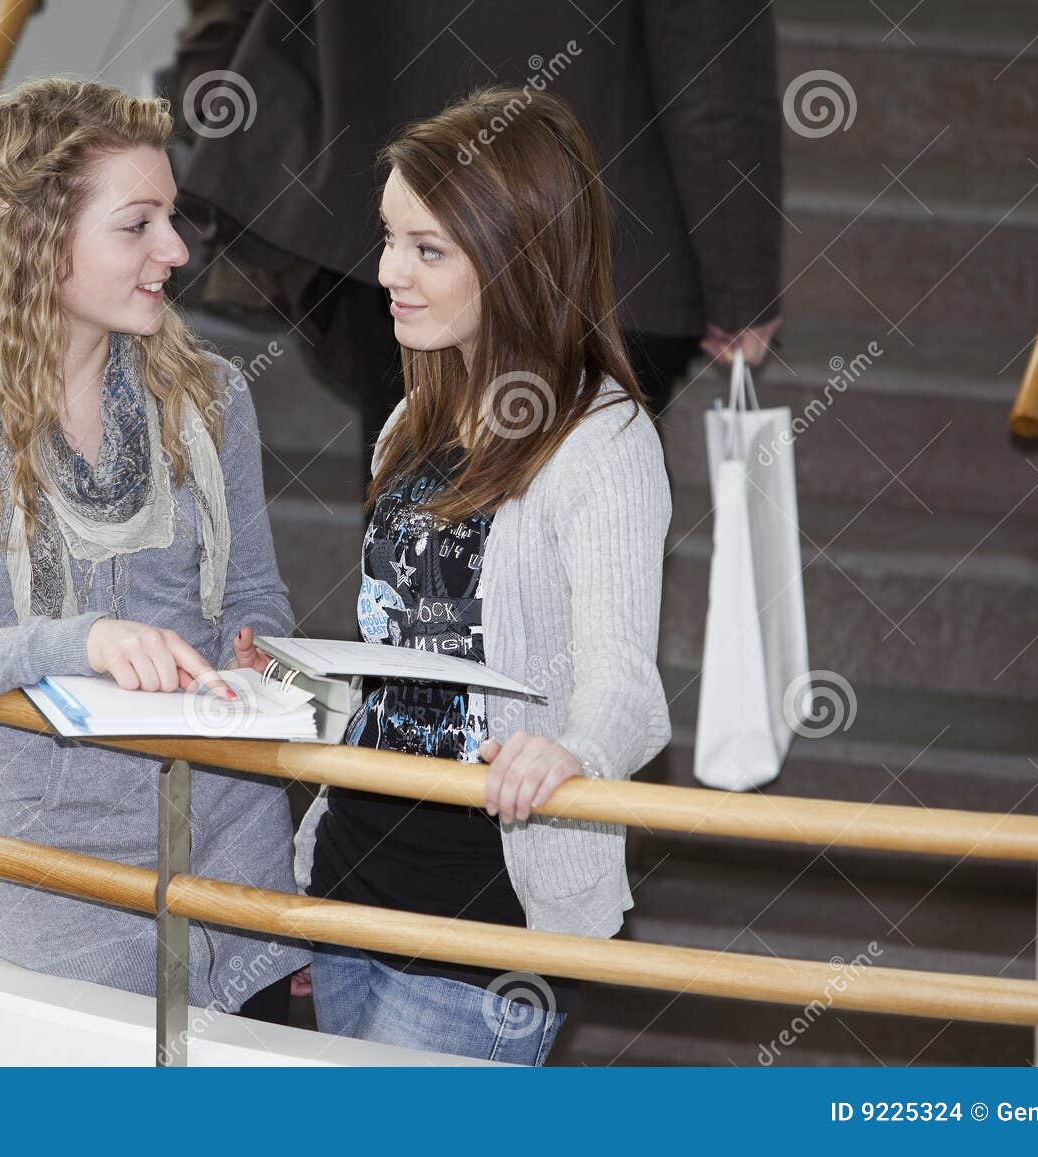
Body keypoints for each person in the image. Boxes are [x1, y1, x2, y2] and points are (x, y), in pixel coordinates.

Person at [0, 77, 308, 1022]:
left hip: (241, 878)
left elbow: (254, 593)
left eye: (170, 219)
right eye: (137, 225)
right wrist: (74, 639)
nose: (174, 251)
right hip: (60, 898)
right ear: (36, 237)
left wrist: (265, 654)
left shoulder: (215, 393)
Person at [293, 88, 673, 1064]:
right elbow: (395, 655)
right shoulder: (407, 422)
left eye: (428, 249)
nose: (387, 273)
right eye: (388, 239)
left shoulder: (603, 439)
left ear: (515, 255)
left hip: (487, 914)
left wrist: (575, 751)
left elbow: (623, 674)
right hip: (349, 879)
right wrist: (286, 683)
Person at [173, 0, 784, 490]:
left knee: (419, 530)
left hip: (386, 192)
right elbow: (714, 74)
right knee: (587, 523)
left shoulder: (401, 261)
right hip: (598, 251)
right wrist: (740, 286)